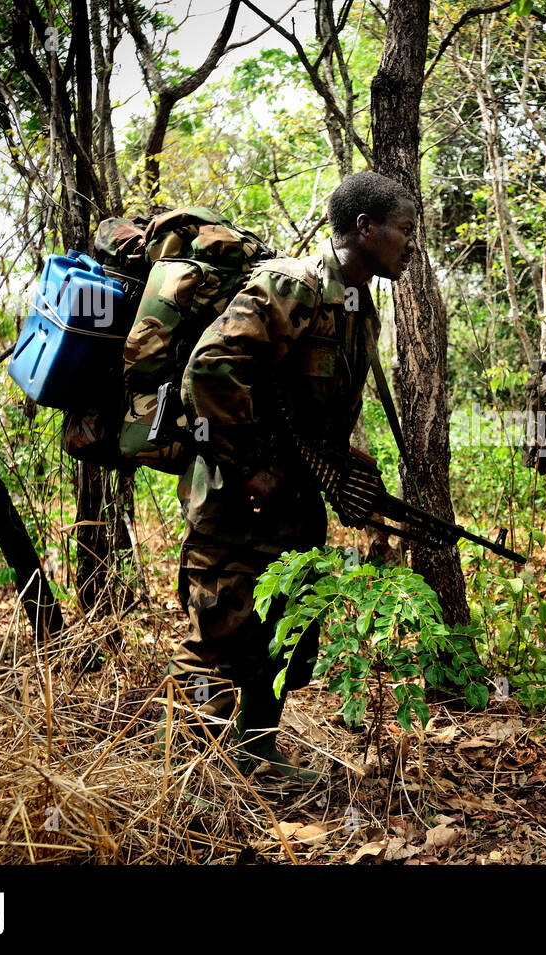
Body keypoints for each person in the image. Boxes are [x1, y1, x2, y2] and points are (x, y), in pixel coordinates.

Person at [167, 171, 418, 782]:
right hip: (234, 503)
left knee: (280, 635)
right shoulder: (291, 286)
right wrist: (249, 468)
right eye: (404, 230)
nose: (412, 244)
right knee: (216, 639)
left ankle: (256, 760)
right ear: (366, 228)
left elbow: (309, 407)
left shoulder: (359, 309)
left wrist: (342, 457)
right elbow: (207, 373)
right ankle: (195, 776)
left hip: (297, 503)